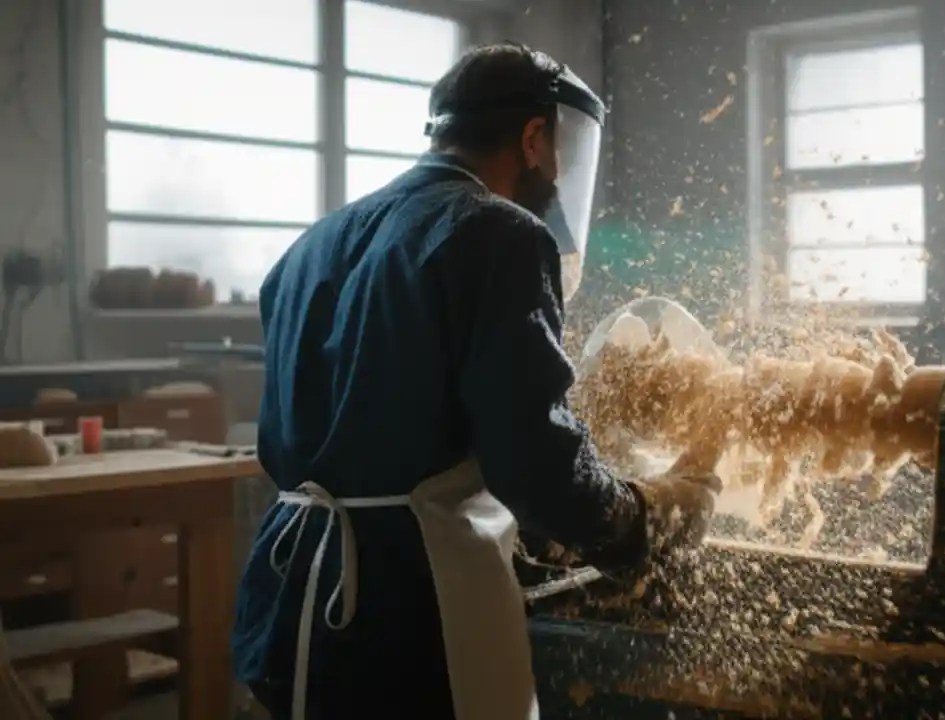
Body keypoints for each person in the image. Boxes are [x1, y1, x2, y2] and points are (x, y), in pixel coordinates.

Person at [232, 43, 722, 720]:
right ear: (533, 139)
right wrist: (646, 516)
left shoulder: (310, 246)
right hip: (408, 609)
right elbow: (535, 468)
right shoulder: (500, 233)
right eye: (563, 155)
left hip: (289, 599)